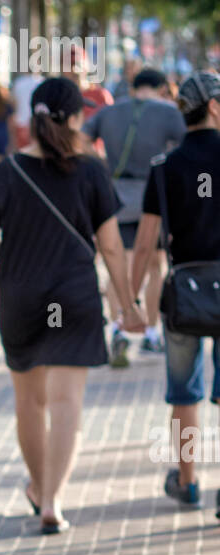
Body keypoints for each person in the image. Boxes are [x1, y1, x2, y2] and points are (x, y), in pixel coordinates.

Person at [0, 77, 145, 534]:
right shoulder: (91, 169)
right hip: (74, 295)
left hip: (19, 295)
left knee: (29, 401)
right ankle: (52, 501)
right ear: (76, 116)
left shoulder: (10, 170)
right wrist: (128, 304)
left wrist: (11, 250)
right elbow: (112, 249)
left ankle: (39, 485)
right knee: (67, 402)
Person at [130, 71, 220, 510]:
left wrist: (130, 298)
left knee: (184, 393)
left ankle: (188, 482)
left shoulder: (164, 169)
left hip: (184, 293)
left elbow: (145, 243)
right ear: (215, 107)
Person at [83, 68, 186, 367]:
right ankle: (151, 332)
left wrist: (102, 164)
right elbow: (183, 147)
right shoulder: (167, 112)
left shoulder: (110, 112)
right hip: (155, 195)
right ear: (159, 87)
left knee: (119, 265)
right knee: (157, 266)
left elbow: (82, 139)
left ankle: (118, 327)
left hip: (115, 195)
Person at [11, 70, 43, 150]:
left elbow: (14, 104)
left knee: (23, 152)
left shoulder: (19, 83)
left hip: (21, 122)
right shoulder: (41, 81)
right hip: (37, 123)